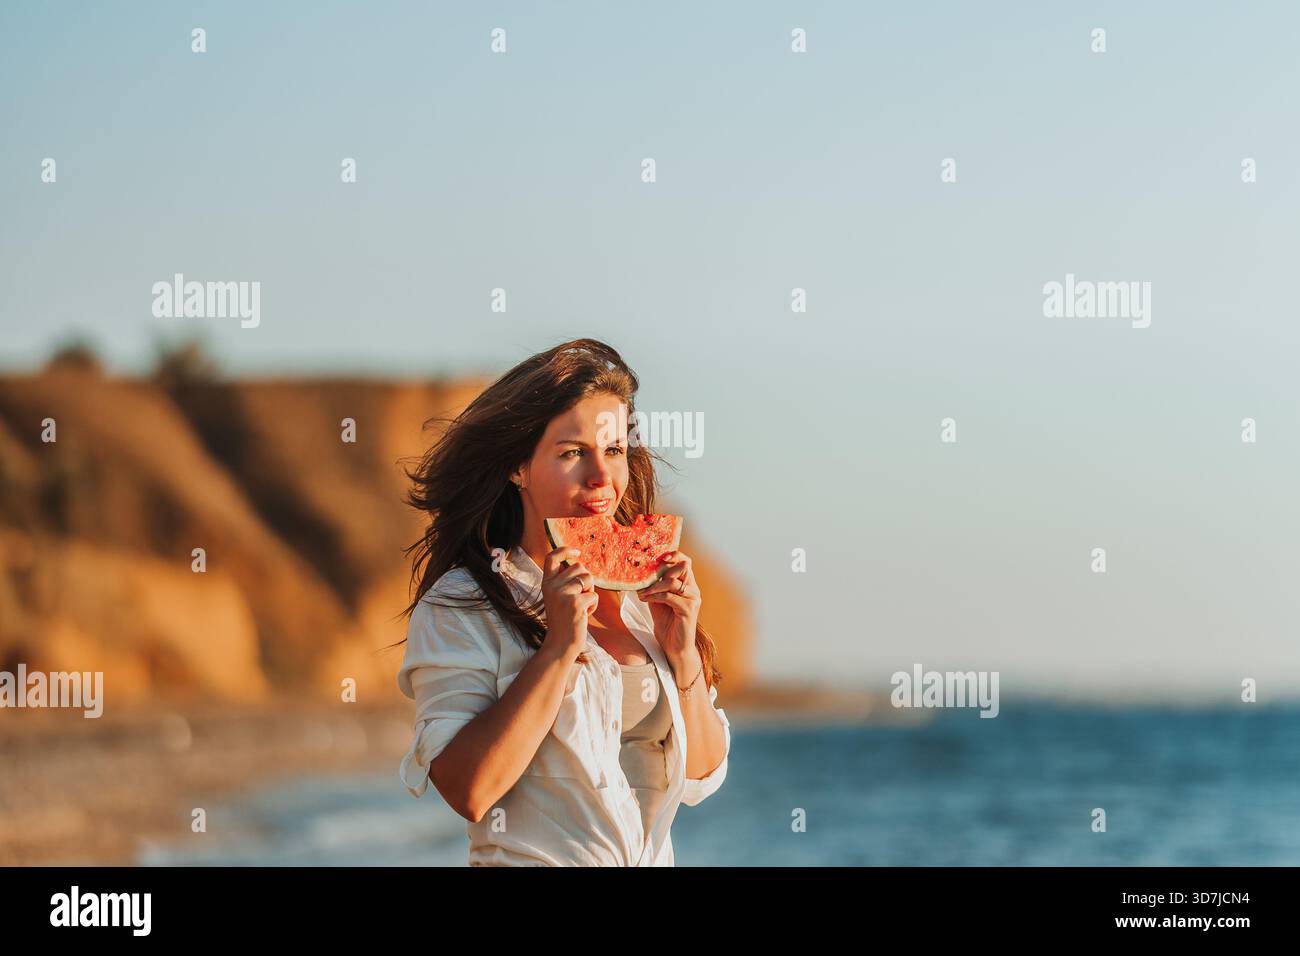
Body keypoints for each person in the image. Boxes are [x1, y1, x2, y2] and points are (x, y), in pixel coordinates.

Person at [394, 338, 731, 865]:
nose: (601, 477)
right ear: (518, 467)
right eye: (573, 453)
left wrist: (683, 654)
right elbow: (470, 791)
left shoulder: (645, 604)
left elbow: (701, 775)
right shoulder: (464, 601)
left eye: (614, 450)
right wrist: (557, 650)